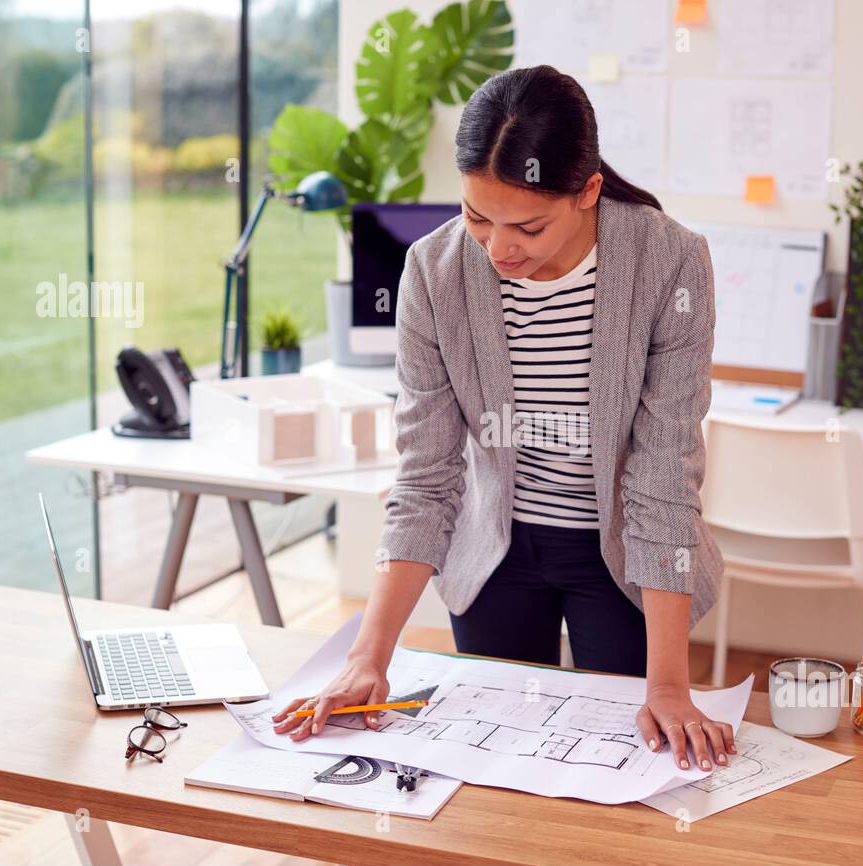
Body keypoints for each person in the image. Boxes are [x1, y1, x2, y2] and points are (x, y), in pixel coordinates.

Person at [273, 65, 732, 770]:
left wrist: (670, 684)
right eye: (477, 216)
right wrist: (369, 654)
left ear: (587, 191)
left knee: (633, 758)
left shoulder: (669, 261)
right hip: (495, 550)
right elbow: (426, 476)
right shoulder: (434, 271)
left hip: (624, 556)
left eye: (528, 225)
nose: (498, 248)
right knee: (499, 766)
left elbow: (664, 478)